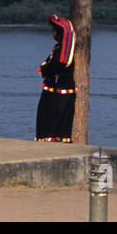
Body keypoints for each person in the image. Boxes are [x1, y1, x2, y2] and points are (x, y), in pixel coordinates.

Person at [36, 14, 76, 142]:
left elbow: (57, 65)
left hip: (58, 94)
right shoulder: (59, 48)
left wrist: (44, 69)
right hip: (54, 92)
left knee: (54, 124)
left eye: (54, 30)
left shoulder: (64, 52)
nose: (52, 33)